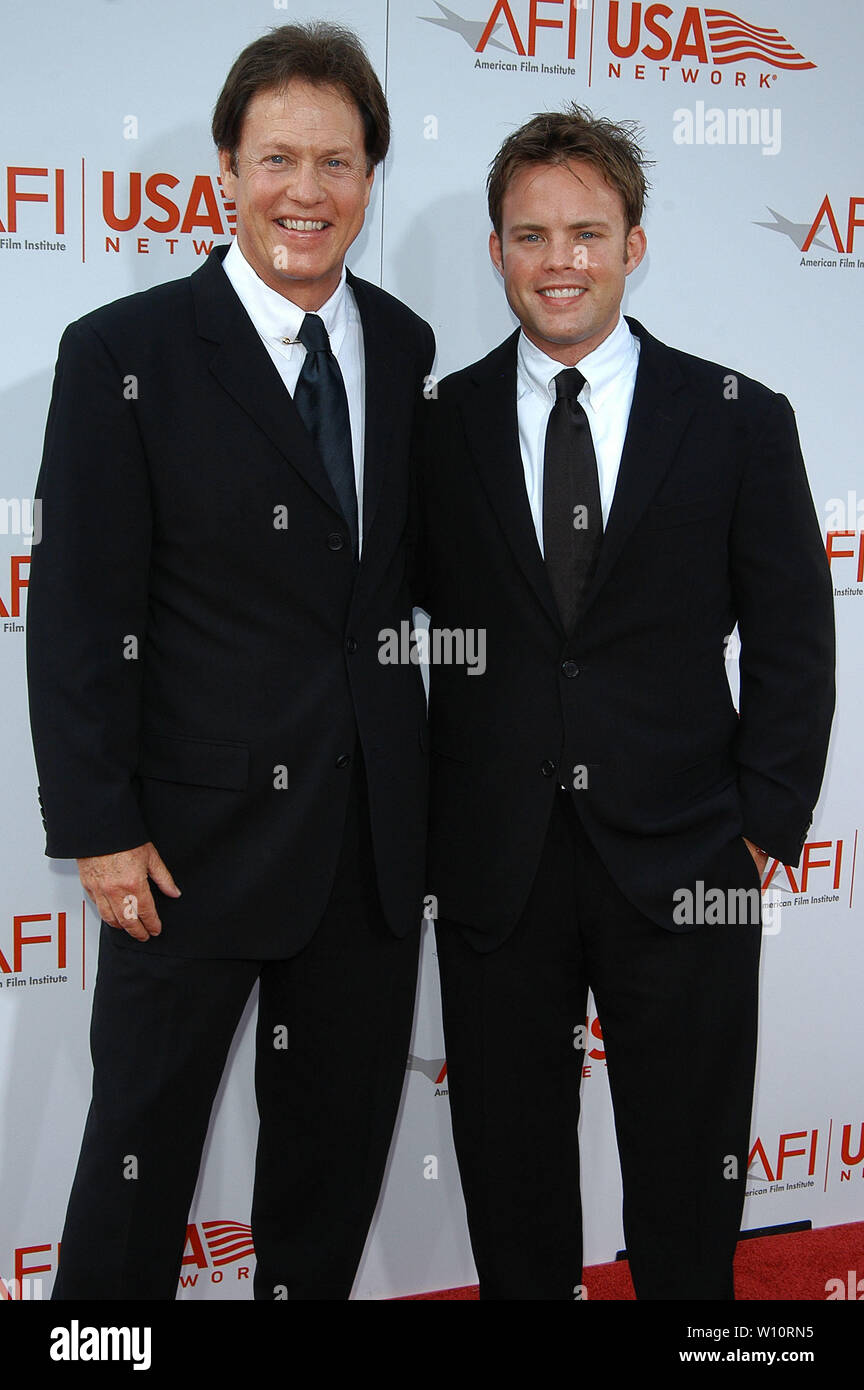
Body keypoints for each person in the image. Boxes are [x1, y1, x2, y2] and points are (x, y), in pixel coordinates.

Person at [27, 22, 434, 1301]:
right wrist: (99, 826)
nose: (304, 192)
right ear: (225, 169)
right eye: (276, 159)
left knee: (327, 1169)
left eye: (335, 161)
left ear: (371, 179)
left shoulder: (409, 351)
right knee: (136, 1166)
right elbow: (81, 611)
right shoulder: (123, 354)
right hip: (181, 856)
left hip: (366, 851)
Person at [418, 104, 834, 1300]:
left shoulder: (740, 420)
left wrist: (761, 828)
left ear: (634, 245)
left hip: (690, 855)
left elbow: (797, 641)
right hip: (497, 864)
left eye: (587, 233)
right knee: (510, 1172)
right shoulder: (436, 429)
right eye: (532, 233)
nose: (560, 260)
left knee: (688, 1182)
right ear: (498, 248)